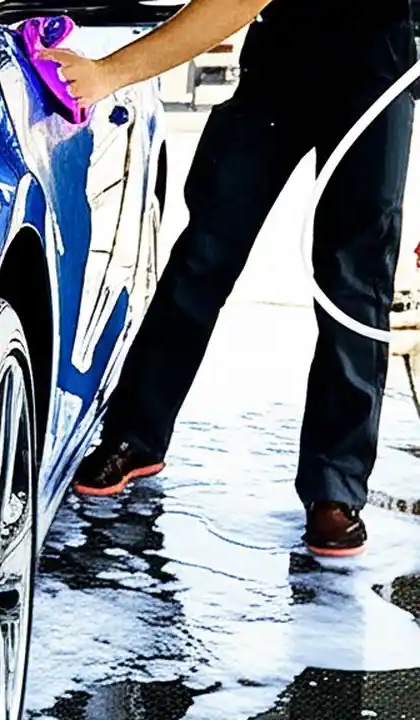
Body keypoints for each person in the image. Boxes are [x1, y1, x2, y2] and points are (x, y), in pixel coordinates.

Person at [43, 0, 416, 557]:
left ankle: (335, 488)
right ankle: (136, 434)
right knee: (207, 248)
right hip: (283, 58)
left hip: (380, 66)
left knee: (354, 279)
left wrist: (109, 73)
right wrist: (108, 73)